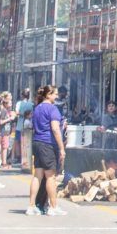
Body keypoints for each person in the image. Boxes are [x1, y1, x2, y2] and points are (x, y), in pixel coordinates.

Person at [27, 85, 67, 216]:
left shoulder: (37, 108)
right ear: (48, 95)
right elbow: (55, 129)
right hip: (47, 144)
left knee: (37, 175)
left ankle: (31, 206)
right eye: (55, 94)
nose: (56, 96)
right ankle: (53, 207)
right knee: (51, 177)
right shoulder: (53, 109)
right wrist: (61, 148)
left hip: (37, 143)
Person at [0, 93, 15, 168]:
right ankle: (4, 163)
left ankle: (3, 161)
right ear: (6, 104)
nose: (11, 104)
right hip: (4, 132)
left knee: (5, 147)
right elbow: (1, 121)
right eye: (10, 103)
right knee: (4, 148)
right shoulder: (3, 111)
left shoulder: (7, 111)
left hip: (6, 131)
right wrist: (9, 118)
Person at [14, 88, 33, 163]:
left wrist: (21, 114)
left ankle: (19, 157)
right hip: (28, 124)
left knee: (18, 141)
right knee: (27, 141)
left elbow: (17, 112)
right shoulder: (31, 104)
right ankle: (25, 156)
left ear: (22, 95)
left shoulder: (19, 103)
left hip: (20, 124)